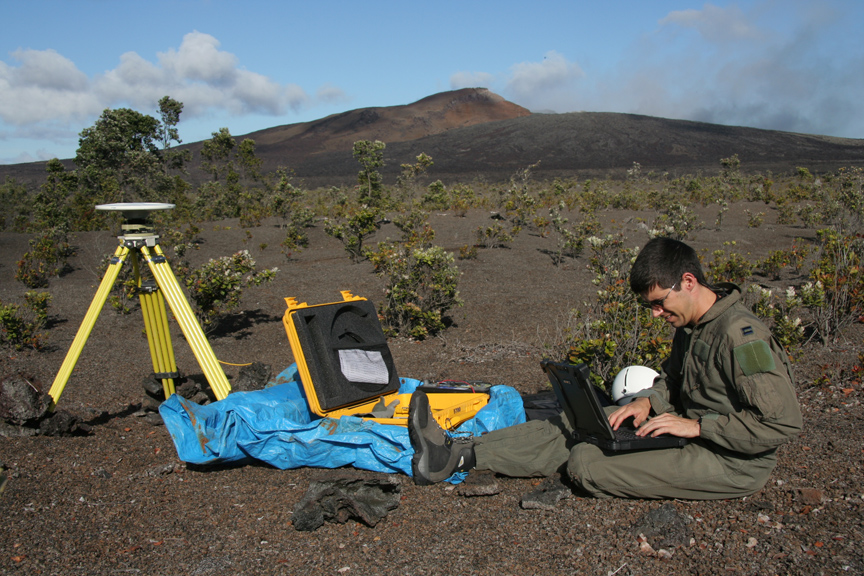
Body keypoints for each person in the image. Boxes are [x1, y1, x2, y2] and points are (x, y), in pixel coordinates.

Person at [408, 237, 803, 499]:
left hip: (731, 461)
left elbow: (780, 424)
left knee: (586, 462)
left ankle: (474, 455)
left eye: (660, 303)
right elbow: (674, 381)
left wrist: (699, 427)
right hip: (688, 428)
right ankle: (458, 454)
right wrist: (649, 401)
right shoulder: (692, 326)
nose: (656, 313)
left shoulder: (742, 336)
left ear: (688, 281)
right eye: (651, 306)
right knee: (595, 423)